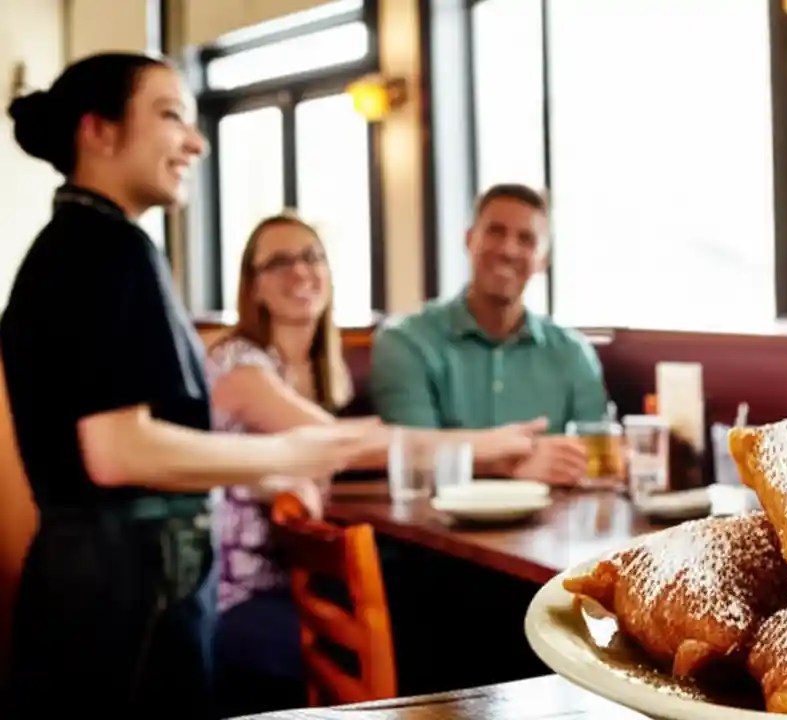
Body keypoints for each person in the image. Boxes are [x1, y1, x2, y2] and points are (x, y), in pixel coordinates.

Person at [1, 53, 384, 717]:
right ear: (100, 132)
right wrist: (288, 453)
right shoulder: (107, 247)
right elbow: (119, 451)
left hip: (97, 578)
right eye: (172, 114)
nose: (197, 142)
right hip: (128, 584)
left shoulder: (78, 244)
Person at [207, 212, 543, 716]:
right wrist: (491, 446)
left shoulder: (320, 375)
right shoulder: (238, 365)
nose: (299, 272)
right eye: (278, 262)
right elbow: (340, 444)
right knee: (442, 639)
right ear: (253, 287)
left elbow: (341, 452)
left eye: (310, 256)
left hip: (298, 583)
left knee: (460, 616)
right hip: (235, 600)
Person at [370, 183, 607, 486]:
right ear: (469, 240)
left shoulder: (574, 353)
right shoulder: (404, 342)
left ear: (542, 260)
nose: (508, 250)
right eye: (495, 232)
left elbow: (595, 460)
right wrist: (508, 466)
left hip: (554, 525)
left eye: (526, 239)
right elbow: (410, 457)